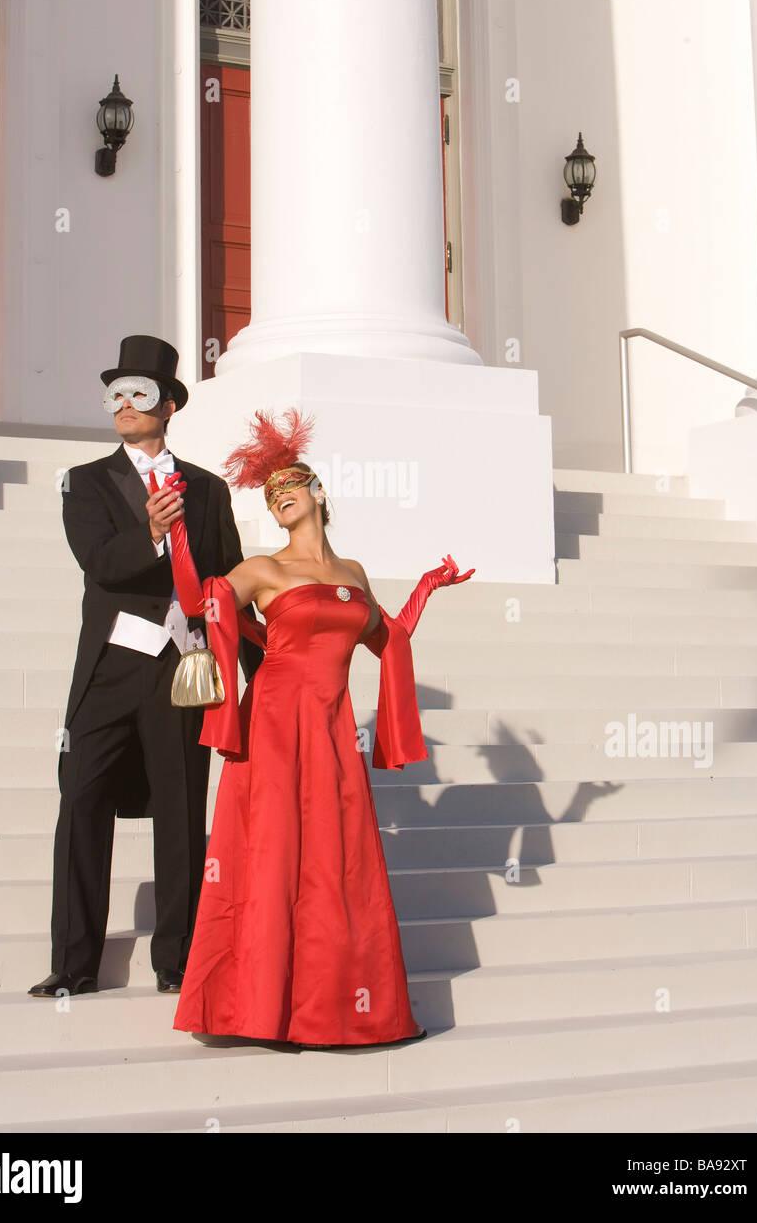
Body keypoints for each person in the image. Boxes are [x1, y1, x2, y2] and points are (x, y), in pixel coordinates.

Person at [156, 406, 473, 1046]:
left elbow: (390, 641)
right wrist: (178, 535)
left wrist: (426, 587)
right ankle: (255, 1009)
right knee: (271, 854)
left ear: (317, 492)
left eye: (289, 489)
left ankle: (332, 1008)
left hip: (332, 730)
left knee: (337, 861)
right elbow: (199, 603)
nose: (280, 501)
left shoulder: (351, 574)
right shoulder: (266, 571)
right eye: (271, 497)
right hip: (273, 721)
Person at [28, 335, 262, 1000]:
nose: (125, 405)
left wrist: (264, 663)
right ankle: (74, 963)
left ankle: (179, 961)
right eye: (116, 395)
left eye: (141, 394)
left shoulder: (210, 491)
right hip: (110, 667)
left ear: (168, 407)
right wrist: (154, 533)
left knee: (184, 811)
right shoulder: (86, 483)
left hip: (183, 670)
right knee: (81, 798)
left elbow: (229, 584)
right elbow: (101, 563)